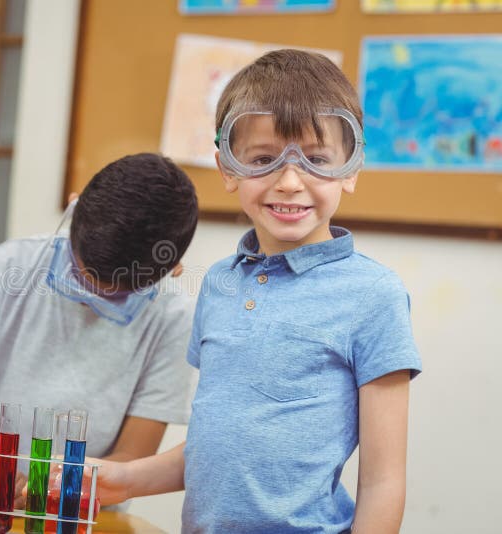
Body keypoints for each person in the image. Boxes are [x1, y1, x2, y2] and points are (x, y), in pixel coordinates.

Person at [89, 49, 422, 533]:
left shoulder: (373, 295)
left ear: (350, 169)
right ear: (228, 169)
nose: (289, 181)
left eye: (317, 159)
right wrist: (121, 480)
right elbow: (221, 449)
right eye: (264, 160)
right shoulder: (220, 285)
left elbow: (383, 482)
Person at [0, 153, 199, 477]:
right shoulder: (5, 267)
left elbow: (132, 458)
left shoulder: (173, 318)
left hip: (85, 516)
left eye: (114, 297)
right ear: (73, 207)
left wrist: (42, 488)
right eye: (79, 279)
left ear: (172, 269)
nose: (87, 299)